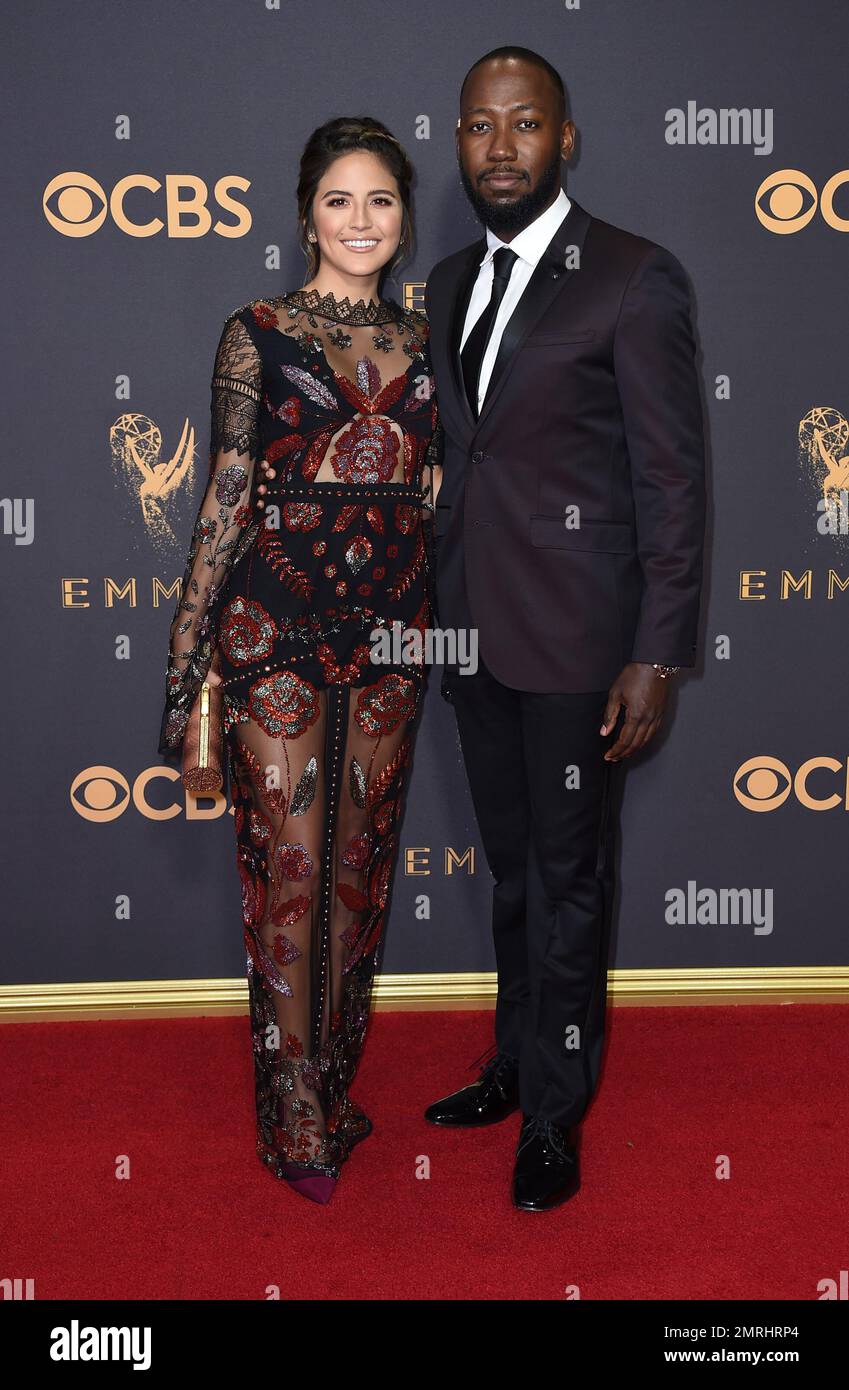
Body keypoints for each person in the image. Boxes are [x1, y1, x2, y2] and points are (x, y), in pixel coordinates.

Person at [423, 47, 707, 1211]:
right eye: (480, 127)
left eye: (524, 124)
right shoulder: (444, 282)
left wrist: (657, 650)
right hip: (471, 637)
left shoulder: (634, 278)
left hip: (586, 647)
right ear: (459, 142)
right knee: (511, 876)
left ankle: (555, 1114)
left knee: (571, 878)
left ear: (566, 140)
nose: (500, 146)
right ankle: (513, 1058)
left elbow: (675, 480)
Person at [158, 116, 440, 1205]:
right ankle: (297, 1114)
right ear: (305, 214)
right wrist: (187, 658)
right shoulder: (258, 333)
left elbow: (435, 498)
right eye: (338, 200)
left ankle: (332, 1077)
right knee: (290, 869)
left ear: (403, 217)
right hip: (270, 627)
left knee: (359, 877)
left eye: (380, 200)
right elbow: (228, 494)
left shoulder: (432, 344)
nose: (361, 220)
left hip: (393, 639)